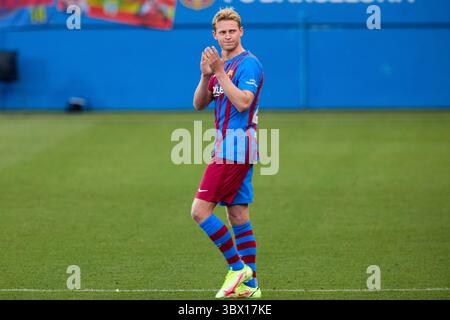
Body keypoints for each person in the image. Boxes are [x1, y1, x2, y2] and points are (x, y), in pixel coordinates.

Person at [191, 7, 264, 299]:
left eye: (232, 31)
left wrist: (220, 72)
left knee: (199, 211)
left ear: (241, 31)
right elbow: (199, 104)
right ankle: (251, 286)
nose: (228, 36)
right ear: (215, 35)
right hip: (231, 146)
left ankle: (237, 268)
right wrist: (205, 74)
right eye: (222, 32)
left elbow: (244, 102)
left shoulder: (249, 64)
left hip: (235, 146)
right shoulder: (219, 65)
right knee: (237, 213)